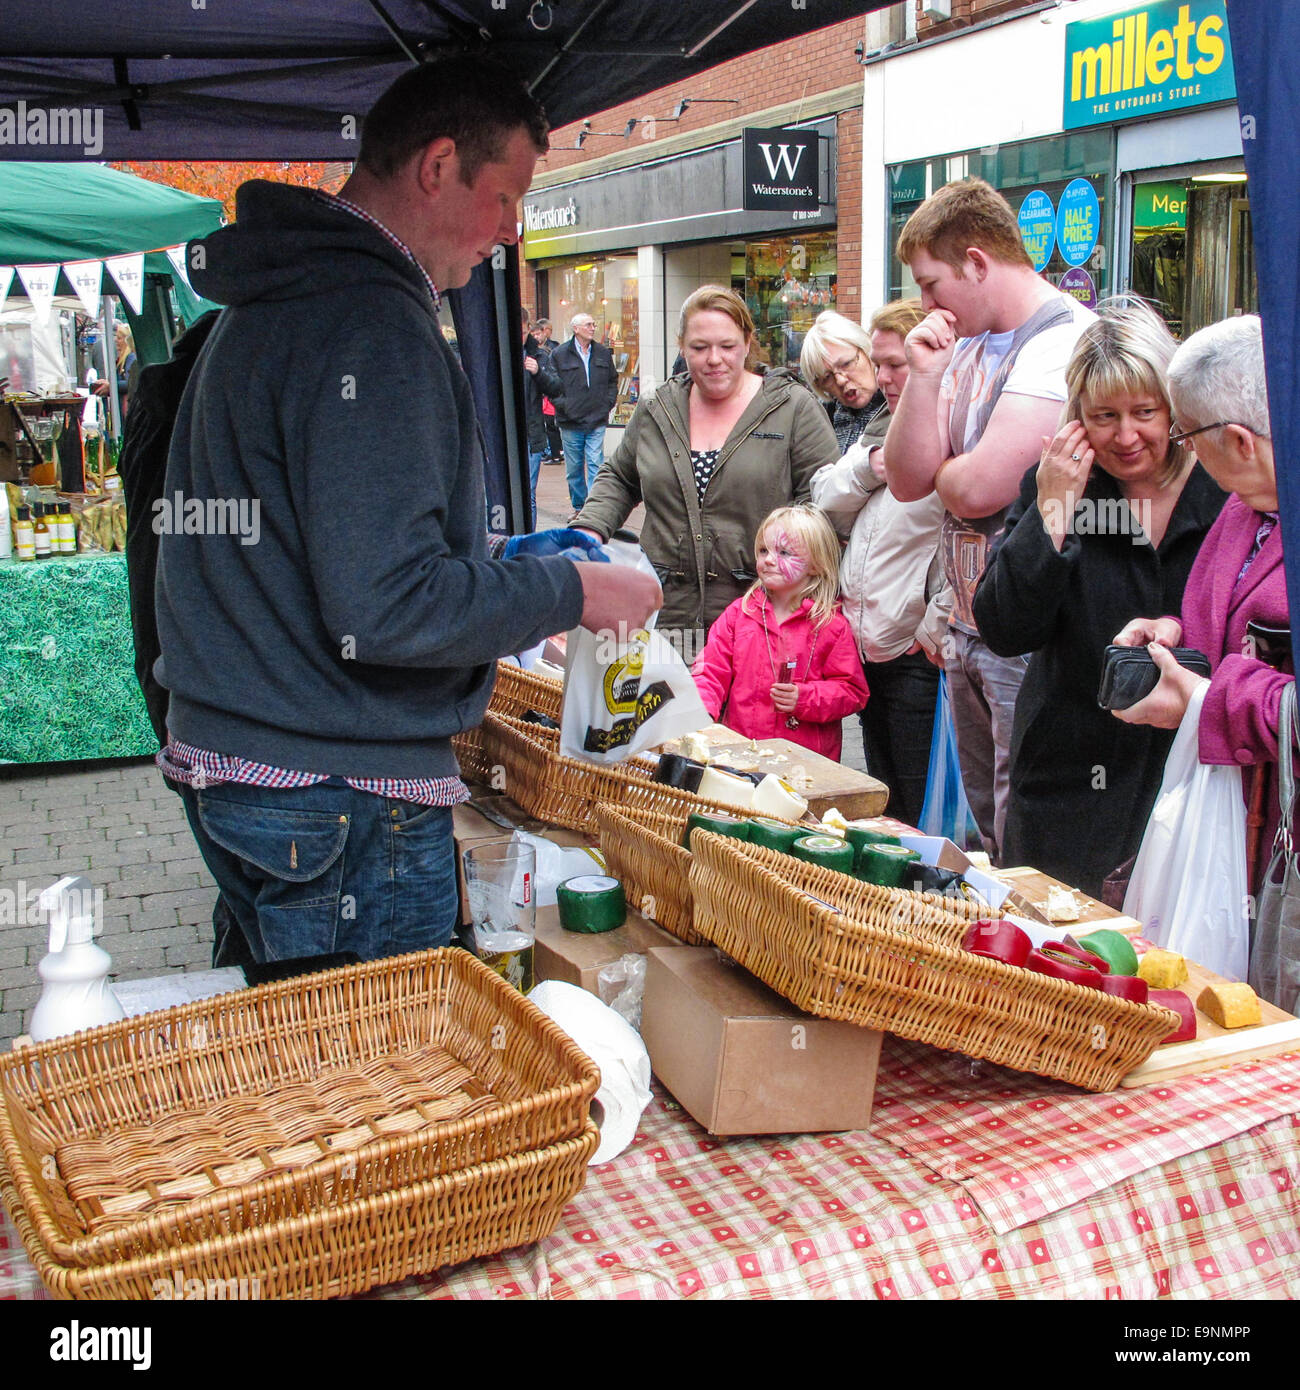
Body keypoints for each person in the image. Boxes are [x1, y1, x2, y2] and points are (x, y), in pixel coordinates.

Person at [152, 57, 661, 967]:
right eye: (505, 197)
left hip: (246, 765)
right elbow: (385, 604)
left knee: (302, 1056)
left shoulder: (282, 295)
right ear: (436, 167)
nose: (510, 233)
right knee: (376, 1083)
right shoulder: (370, 322)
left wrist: (501, 554)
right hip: (335, 789)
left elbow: (324, 531)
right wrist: (567, 590)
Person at [972, 299, 1225, 897]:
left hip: (1191, 778)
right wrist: (1053, 507)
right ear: (1077, 415)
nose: (1127, 435)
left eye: (1145, 411)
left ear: (1176, 408)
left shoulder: (1224, 488)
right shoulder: (1066, 486)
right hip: (1071, 783)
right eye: (1105, 415)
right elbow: (1005, 627)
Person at [884, 177, 1097, 860]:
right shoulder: (964, 342)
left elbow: (977, 487)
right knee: (988, 824)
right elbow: (905, 476)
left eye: (932, 284)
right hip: (969, 622)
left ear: (977, 263)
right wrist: (922, 379)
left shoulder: (1063, 340)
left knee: (1025, 824)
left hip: (1031, 631)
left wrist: (948, 467)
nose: (924, 306)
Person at [1113, 314, 1292, 905]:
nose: (1182, 449)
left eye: (1186, 434)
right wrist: (1175, 636)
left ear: (1239, 440)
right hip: (1234, 829)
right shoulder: (1247, 502)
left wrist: (1202, 700)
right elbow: (1232, 618)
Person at [571, 284, 841, 653]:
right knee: (671, 710)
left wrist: (790, 578)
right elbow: (619, 476)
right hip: (667, 619)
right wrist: (589, 530)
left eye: (727, 346)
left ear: (747, 343)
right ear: (682, 347)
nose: (714, 358)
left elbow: (825, 505)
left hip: (764, 617)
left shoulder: (792, 407)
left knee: (749, 711)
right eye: (700, 347)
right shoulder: (658, 409)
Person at [805, 302, 947, 827]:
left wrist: (931, 629)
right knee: (882, 791)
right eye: (881, 363)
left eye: (896, 363)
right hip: (865, 640)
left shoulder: (954, 426)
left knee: (915, 801)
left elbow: (975, 539)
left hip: (912, 649)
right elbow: (822, 492)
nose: (883, 377)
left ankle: (918, 902)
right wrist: (872, 467)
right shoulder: (881, 426)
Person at [690, 505, 867, 760]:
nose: (769, 559)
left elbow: (852, 691)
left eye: (784, 552)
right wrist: (701, 712)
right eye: (763, 550)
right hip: (742, 752)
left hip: (805, 762)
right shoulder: (739, 614)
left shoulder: (830, 625)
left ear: (816, 565)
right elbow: (710, 670)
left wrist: (805, 698)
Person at [550, 312, 618, 509]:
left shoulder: (603, 353)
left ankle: (594, 508)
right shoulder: (559, 354)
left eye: (593, 324)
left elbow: (612, 381)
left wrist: (608, 402)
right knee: (574, 469)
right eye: (588, 324)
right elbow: (551, 386)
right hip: (570, 422)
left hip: (596, 419)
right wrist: (564, 406)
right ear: (576, 328)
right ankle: (579, 506)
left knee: (596, 464)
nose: (592, 328)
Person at [521, 316, 562, 513]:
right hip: (500, 435)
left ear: (528, 329)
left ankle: (528, 540)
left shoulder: (539, 355)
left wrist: (538, 373)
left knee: (528, 492)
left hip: (531, 432)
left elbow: (555, 387)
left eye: (522, 332)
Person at [531, 316, 564, 463]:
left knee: (551, 424)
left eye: (538, 333)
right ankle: (552, 451)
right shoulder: (533, 351)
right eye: (533, 335)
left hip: (550, 396)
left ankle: (555, 453)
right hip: (542, 397)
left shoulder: (550, 350)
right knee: (548, 424)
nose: (536, 337)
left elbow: (554, 378)